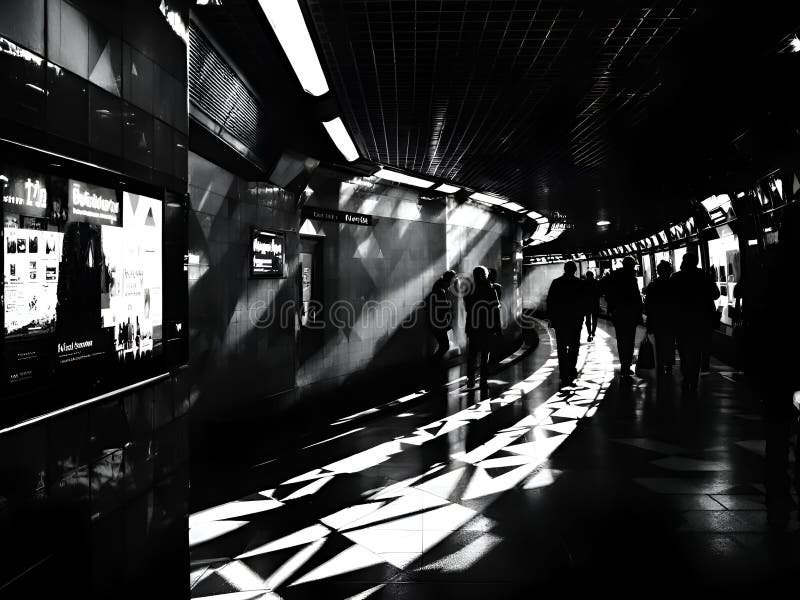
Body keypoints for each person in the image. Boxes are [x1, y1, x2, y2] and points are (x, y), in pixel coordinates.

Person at [670, 253, 720, 393]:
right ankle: (693, 378)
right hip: (701, 319)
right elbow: (716, 294)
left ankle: (686, 376)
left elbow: (670, 298)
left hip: (681, 320)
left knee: (683, 348)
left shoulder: (676, 277)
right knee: (696, 350)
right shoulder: (704, 276)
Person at [601, 256, 642, 380]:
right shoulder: (631, 279)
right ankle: (626, 365)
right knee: (630, 339)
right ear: (631, 265)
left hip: (618, 313)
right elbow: (636, 297)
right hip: (630, 313)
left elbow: (604, 287)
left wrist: (611, 305)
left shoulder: (614, 276)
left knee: (621, 339)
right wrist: (639, 313)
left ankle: (624, 363)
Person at [546, 261, 586, 386]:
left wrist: (551, 318)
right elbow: (583, 301)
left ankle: (564, 371)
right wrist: (582, 317)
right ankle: (571, 367)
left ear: (564, 269)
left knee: (561, 347)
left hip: (560, 320)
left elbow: (550, 301)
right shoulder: (579, 283)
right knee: (574, 345)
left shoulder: (556, 282)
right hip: (575, 320)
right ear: (575, 270)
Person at [464, 266, 500, 389]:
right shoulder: (491, 289)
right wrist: (498, 329)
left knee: (472, 354)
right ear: (485, 276)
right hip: (487, 327)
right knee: (485, 355)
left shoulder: (470, 290)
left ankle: (471, 380)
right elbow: (495, 310)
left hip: (473, 326)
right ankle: (483, 380)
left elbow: (467, 308)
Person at [644, 260, 675, 377]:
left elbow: (648, 305)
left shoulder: (653, 285)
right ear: (670, 271)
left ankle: (661, 363)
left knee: (659, 343)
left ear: (658, 272)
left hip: (657, 319)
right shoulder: (674, 285)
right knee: (670, 342)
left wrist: (649, 322)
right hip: (671, 319)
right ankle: (669, 365)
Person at [426, 270, 457, 360]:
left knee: (444, 345)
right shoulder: (440, 292)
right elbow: (444, 309)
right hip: (438, 324)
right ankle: (434, 363)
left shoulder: (437, 290)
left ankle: (434, 362)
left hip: (435, 323)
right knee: (444, 346)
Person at [487, 268, 503, 365]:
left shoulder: (476, 288)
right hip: (494, 316)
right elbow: (496, 304)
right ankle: (495, 359)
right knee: (497, 337)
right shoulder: (497, 287)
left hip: (483, 319)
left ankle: (490, 360)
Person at [583, 270, 601, 341]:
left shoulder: (584, 283)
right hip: (595, 303)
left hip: (587, 304)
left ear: (587, 276)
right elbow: (599, 292)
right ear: (593, 275)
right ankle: (593, 331)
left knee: (588, 319)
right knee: (595, 319)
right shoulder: (596, 282)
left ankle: (589, 332)